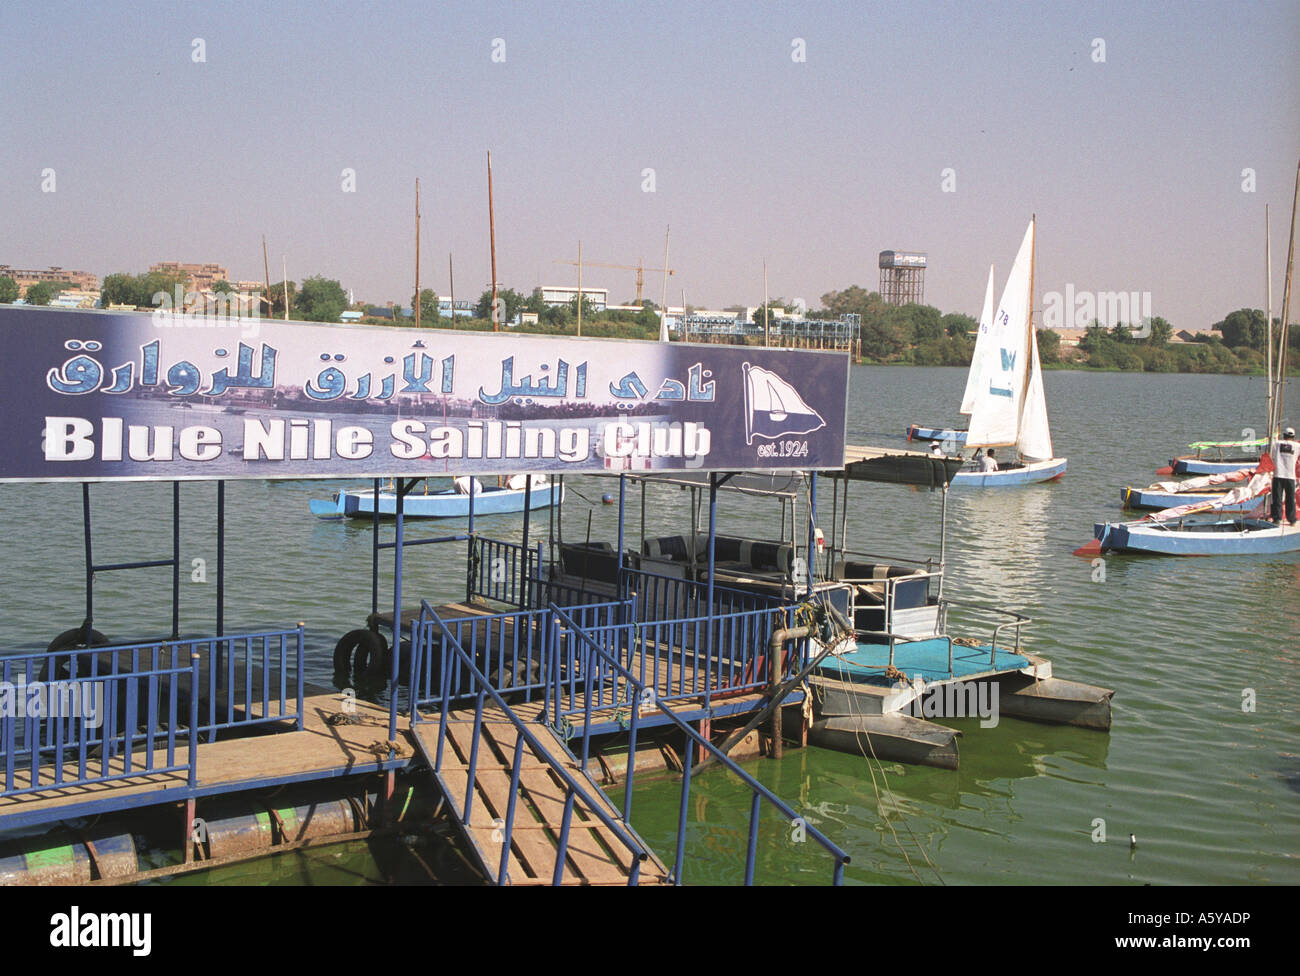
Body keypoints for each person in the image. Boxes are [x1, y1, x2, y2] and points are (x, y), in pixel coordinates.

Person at [1270, 427, 1298, 525]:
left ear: (1284, 435)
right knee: (1290, 498)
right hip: (1290, 476)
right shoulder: (1297, 446)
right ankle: (1292, 520)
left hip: (1278, 474)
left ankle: (1277, 518)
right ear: (1293, 436)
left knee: (1277, 497)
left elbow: (1269, 449)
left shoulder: (1276, 444)